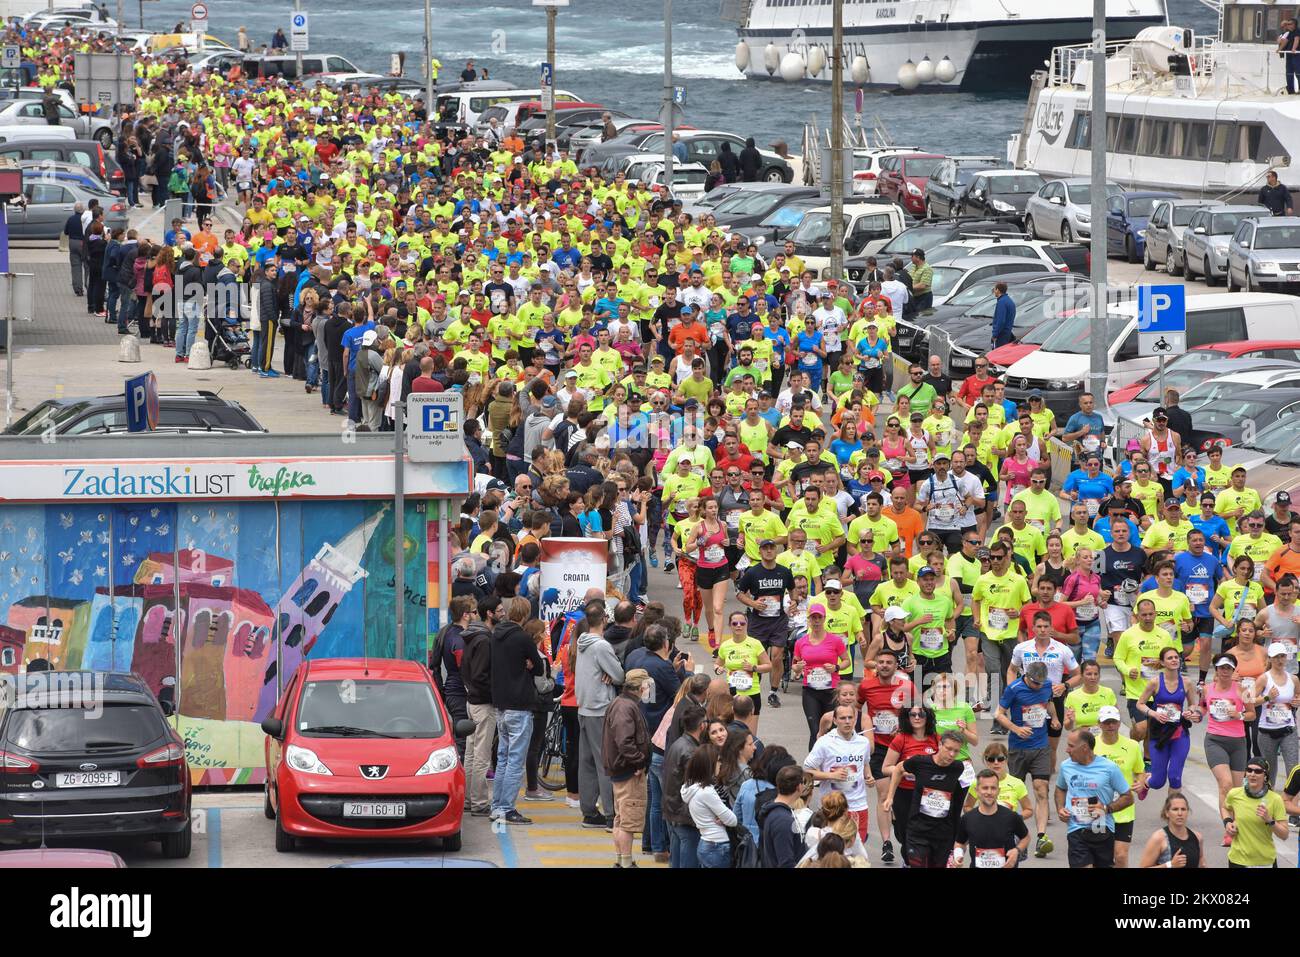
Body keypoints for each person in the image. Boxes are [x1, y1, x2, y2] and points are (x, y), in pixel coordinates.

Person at [489, 597, 543, 825]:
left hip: (501, 705)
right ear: (525, 615)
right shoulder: (522, 638)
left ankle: (496, 806)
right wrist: (529, 665)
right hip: (519, 705)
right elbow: (539, 667)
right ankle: (507, 808)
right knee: (515, 760)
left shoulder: (495, 635)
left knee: (502, 758)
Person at [996, 660, 1058, 858]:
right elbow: (999, 714)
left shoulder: (1047, 685)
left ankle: (1041, 837)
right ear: (1026, 676)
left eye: (1041, 683)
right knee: (1014, 793)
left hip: (1040, 747)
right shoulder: (1013, 688)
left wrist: (1054, 719)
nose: (1038, 686)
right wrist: (1016, 729)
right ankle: (1013, 835)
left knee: (1041, 789)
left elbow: (1049, 703)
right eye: (1035, 683)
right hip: (1018, 749)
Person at [575, 599, 625, 829]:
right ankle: (609, 813)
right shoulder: (601, 646)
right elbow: (619, 675)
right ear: (604, 619)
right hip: (599, 709)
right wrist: (610, 673)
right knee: (605, 761)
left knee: (586, 762)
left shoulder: (581, 642)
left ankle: (588, 810)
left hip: (584, 707)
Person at [883, 730, 966, 868]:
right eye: (949, 749)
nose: (952, 754)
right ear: (940, 745)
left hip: (943, 834)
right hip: (918, 832)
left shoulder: (958, 768)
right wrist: (890, 797)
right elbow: (898, 769)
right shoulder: (920, 762)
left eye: (956, 751)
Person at [1053, 729, 1133, 869]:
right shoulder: (1066, 766)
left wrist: (1105, 808)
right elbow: (1060, 788)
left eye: (1071, 746)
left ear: (1084, 748)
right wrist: (1060, 808)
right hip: (1076, 828)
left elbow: (1128, 797)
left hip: (1102, 828)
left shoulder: (1109, 768)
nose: (1066, 750)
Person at [803, 702, 875, 848]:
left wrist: (869, 776)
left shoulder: (863, 743)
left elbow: (865, 763)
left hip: (858, 805)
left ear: (855, 719)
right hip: (832, 806)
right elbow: (806, 771)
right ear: (835, 720)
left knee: (855, 851)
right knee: (832, 852)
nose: (847, 721)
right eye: (842, 718)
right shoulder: (824, 742)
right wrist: (831, 775)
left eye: (850, 717)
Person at [1204, 654, 1256, 847]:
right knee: (1225, 784)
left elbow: (1252, 714)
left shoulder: (1243, 690)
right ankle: (1228, 829)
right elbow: (1202, 708)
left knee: (1236, 790)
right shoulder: (1207, 689)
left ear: (1233, 670)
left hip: (1238, 743)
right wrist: (1194, 713)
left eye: (1228, 668)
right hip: (1214, 740)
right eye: (1221, 668)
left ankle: (1237, 826)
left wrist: (1240, 714)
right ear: (1216, 670)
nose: (1225, 671)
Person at [603, 668, 651, 868]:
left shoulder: (622, 703)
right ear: (641, 687)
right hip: (628, 771)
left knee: (621, 818)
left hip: (621, 769)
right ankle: (625, 863)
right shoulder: (626, 707)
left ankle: (622, 860)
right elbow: (625, 742)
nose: (649, 690)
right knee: (627, 822)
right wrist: (639, 761)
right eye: (648, 686)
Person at [1136, 647, 1199, 796]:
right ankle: (1146, 782)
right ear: (1163, 662)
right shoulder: (1155, 682)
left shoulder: (1187, 682)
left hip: (1179, 734)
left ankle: (1172, 811)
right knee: (1158, 781)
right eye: (1170, 658)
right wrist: (1153, 714)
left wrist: (1190, 711)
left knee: (1175, 777)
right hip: (1159, 734)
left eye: (1176, 657)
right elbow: (1140, 704)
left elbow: (1192, 704)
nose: (1174, 660)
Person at [791, 602, 850, 749]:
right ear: (809, 620)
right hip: (810, 691)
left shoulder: (835, 640)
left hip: (831, 690)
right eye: (813, 618)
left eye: (819, 617)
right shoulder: (801, 642)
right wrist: (797, 668)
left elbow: (847, 661)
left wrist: (836, 667)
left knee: (830, 729)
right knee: (815, 730)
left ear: (824, 619)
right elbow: (794, 665)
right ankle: (813, 767)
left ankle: (831, 763)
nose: (816, 621)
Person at [461, 595, 500, 816]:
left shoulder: (473, 637)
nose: (503, 613)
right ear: (490, 614)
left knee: (471, 753)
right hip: (482, 703)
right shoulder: (485, 640)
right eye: (500, 610)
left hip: (472, 700)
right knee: (481, 755)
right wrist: (493, 695)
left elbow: (470, 673)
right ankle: (479, 802)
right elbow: (480, 675)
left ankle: (469, 798)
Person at [954, 768, 1029, 869]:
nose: (989, 792)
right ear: (977, 791)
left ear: (998, 791)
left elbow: (1026, 837)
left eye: (993, 788)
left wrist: (1017, 851)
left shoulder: (1011, 816)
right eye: (985, 788)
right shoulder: (968, 818)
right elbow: (960, 843)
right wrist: (958, 855)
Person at [663, 701, 707, 867]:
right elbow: (695, 787)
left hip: (673, 812)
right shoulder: (691, 752)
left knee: (676, 861)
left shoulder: (679, 744)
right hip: (686, 817)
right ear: (702, 726)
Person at [1224, 758, 1289, 867]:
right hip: (1238, 859)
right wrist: (1228, 822)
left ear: (1265, 776)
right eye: (1249, 770)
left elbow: (1284, 835)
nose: (1252, 774)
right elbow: (1225, 807)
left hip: (1264, 861)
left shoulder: (1275, 799)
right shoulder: (1234, 794)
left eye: (1258, 771)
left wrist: (1269, 820)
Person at [682, 743, 736, 868]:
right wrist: (724, 817)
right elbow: (732, 820)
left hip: (706, 842)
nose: (720, 764)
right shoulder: (707, 792)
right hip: (718, 845)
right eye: (717, 761)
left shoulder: (690, 787)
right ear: (709, 765)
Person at [1138, 792, 1206, 868]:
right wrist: (1170, 865)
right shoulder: (1159, 838)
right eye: (1175, 809)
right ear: (1167, 813)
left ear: (1188, 812)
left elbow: (1201, 861)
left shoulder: (1197, 837)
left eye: (1183, 809)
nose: (1180, 813)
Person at [759, 765, 807, 868]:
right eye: (803, 782)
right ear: (798, 787)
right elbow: (786, 862)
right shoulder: (782, 820)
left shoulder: (781, 812)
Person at [990, 282, 1016, 348]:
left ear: (998, 290)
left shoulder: (1001, 302)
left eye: (994, 289)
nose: (994, 291)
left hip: (1001, 335)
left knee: (997, 354)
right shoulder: (1009, 301)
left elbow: (1001, 321)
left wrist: (995, 335)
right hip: (1007, 333)